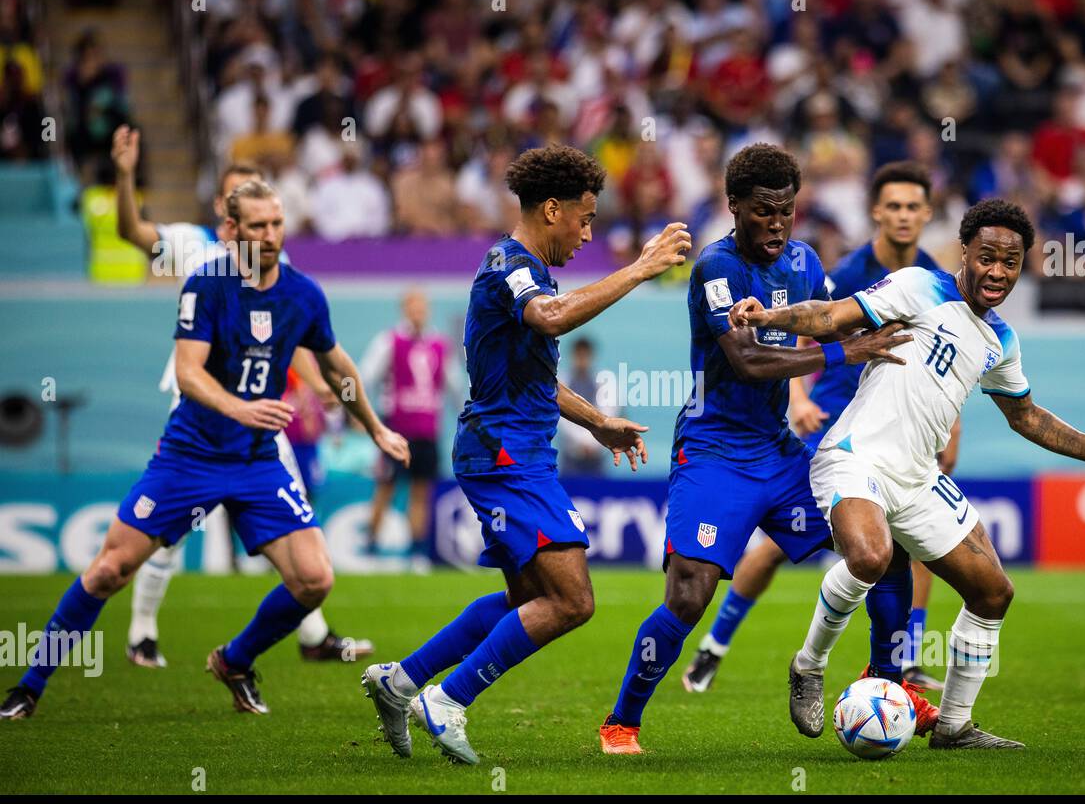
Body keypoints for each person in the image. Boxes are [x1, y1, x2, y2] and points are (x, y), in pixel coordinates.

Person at [733, 198, 1085, 748]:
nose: (997, 271)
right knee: (869, 556)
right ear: (965, 252)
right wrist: (770, 317)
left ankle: (954, 726)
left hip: (918, 478)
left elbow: (1025, 415)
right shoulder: (919, 286)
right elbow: (832, 319)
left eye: (1010, 262)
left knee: (994, 593)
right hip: (857, 457)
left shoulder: (1000, 339)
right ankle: (809, 666)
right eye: (987, 257)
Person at [1, 180, 410, 720]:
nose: (270, 235)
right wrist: (240, 408)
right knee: (107, 571)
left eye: (277, 224)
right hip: (190, 455)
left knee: (315, 579)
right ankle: (28, 688)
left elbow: (337, 366)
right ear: (230, 230)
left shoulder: (303, 293)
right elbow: (190, 373)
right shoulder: (207, 285)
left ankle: (235, 660)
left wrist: (375, 427)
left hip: (256, 461)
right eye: (258, 226)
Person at [361, 145, 690, 764]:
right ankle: (448, 699)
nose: (588, 234)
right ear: (551, 210)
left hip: (516, 451)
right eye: (585, 220)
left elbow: (537, 373)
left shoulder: (530, 270)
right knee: (572, 601)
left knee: (524, 601)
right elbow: (554, 318)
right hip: (504, 457)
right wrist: (641, 269)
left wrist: (596, 421)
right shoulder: (509, 268)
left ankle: (401, 682)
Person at [598, 143, 917, 755]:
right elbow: (746, 362)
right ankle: (622, 721)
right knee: (689, 593)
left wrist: (876, 327)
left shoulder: (802, 260)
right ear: (734, 206)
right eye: (763, 211)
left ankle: (884, 684)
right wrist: (840, 352)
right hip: (714, 453)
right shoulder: (717, 268)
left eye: (786, 211)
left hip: (779, 452)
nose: (776, 223)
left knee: (883, 552)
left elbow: (826, 317)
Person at [683, 161, 949, 694]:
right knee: (782, 546)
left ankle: (905, 663)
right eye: (891, 205)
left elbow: (938, 353)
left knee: (904, 538)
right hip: (829, 417)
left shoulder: (928, 275)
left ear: (927, 213)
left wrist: (948, 425)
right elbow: (811, 326)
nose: (901, 216)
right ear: (876, 212)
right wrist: (799, 398)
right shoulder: (851, 271)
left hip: (890, 422)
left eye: (911, 206)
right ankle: (715, 645)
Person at [109, 125, 371, 666]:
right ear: (224, 213)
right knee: (169, 529)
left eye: (267, 208)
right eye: (243, 197)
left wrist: (316, 386)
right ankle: (141, 632)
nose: (264, 225)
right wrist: (124, 175)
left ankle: (313, 633)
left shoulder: (279, 262)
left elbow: (293, 335)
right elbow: (131, 231)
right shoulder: (195, 245)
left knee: (290, 518)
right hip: (199, 398)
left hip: (259, 410)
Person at [360, 290, 454, 569]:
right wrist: (364, 416)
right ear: (403, 310)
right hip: (397, 429)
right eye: (413, 307)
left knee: (420, 491)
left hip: (426, 429)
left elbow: (453, 386)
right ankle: (371, 546)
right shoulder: (390, 341)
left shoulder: (439, 345)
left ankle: (416, 552)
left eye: (422, 307)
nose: (418, 312)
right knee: (385, 488)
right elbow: (366, 376)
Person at [557, 337, 615, 476]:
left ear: (591, 356)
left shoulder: (605, 383)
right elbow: (562, 417)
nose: (582, 360)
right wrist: (582, 444)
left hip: (597, 458)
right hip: (571, 458)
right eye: (579, 355)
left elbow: (608, 415)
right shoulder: (562, 382)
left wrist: (591, 444)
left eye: (585, 356)